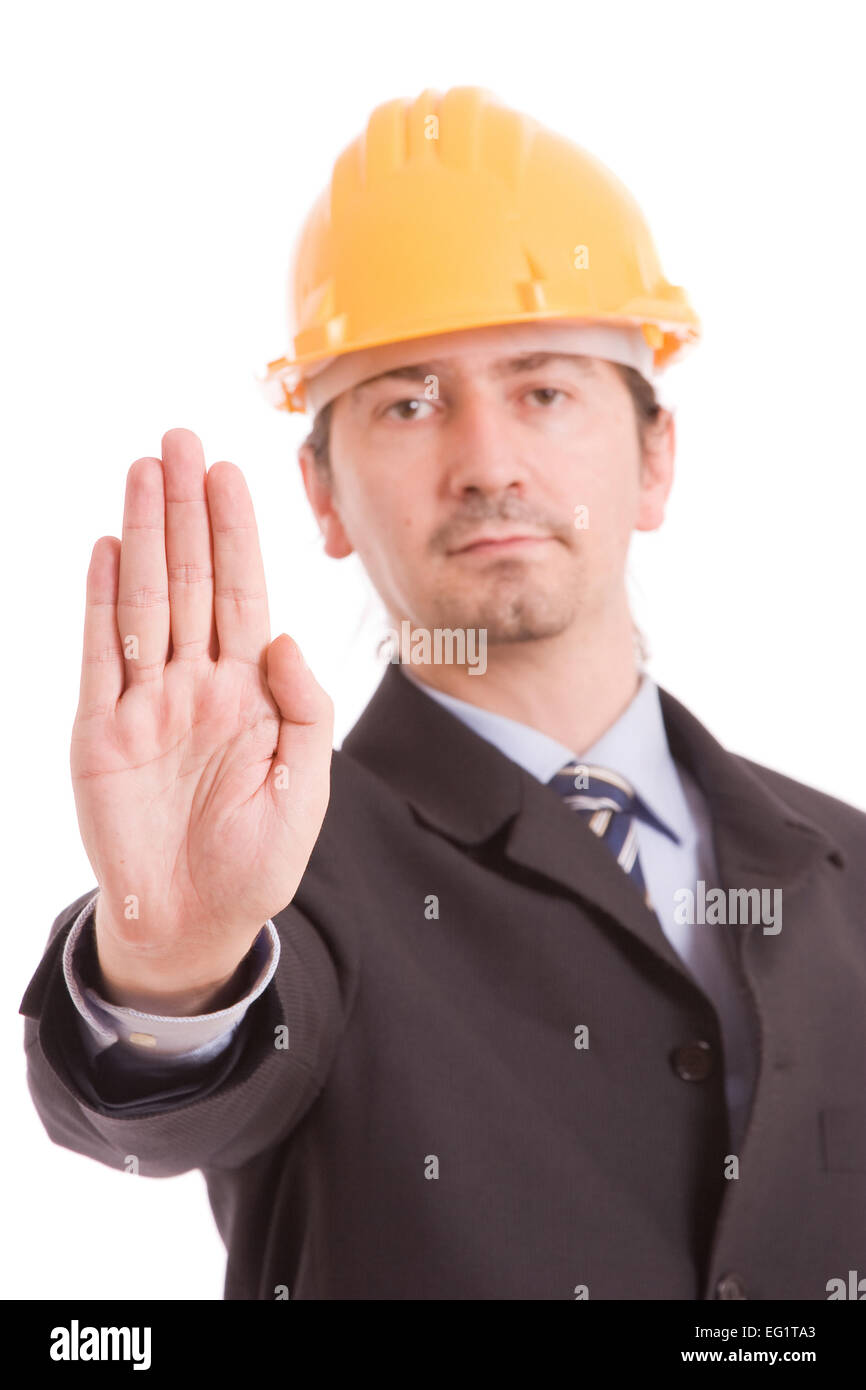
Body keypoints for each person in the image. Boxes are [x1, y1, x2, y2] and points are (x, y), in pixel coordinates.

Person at [21, 85, 866, 1302]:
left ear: (655, 457)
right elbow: (165, 1100)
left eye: (543, 387)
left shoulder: (843, 863)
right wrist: (170, 955)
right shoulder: (281, 874)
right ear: (321, 493)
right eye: (406, 400)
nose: (485, 461)